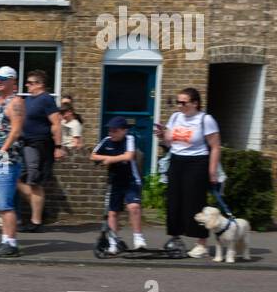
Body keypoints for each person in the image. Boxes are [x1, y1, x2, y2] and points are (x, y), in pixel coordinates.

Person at [155, 86, 220, 258]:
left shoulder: (205, 119)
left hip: (197, 162)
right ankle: (175, 239)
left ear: (195, 103)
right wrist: (162, 135)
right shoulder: (176, 117)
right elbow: (169, 142)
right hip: (177, 160)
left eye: (183, 102)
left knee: (194, 202)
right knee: (174, 201)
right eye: (178, 102)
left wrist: (212, 170)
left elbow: (215, 146)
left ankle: (201, 243)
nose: (179, 106)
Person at [0, 66, 26, 257]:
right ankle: (4, 240)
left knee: (5, 204)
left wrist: (2, 150)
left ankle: (11, 243)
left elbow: (16, 130)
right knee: (0, 204)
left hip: (6, 161)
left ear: (12, 81)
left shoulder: (16, 102)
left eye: (2, 78)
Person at [16, 70, 64, 231]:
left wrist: (58, 147)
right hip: (25, 144)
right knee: (17, 179)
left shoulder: (46, 99)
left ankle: (36, 222)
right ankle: (39, 208)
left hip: (40, 145)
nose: (27, 85)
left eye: (30, 82)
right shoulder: (28, 100)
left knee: (34, 182)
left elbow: (56, 123)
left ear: (39, 84)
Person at [92, 116, 146, 251]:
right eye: (110, 130)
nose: (111, 133)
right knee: (113, 213)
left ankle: (138, 238)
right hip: (115, 181)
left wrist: (109, 160)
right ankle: (113, 242)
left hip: (131, 180)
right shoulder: (106, 141)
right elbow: (93, 156)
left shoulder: (130, 139)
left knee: (133, 207)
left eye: (115, 130)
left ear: (124, 131)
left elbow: (128, 156)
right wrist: (108, 158)